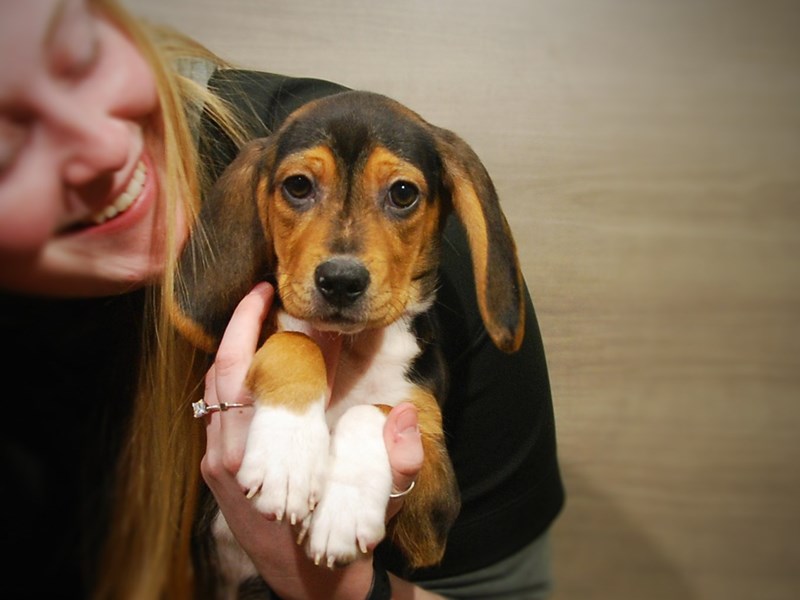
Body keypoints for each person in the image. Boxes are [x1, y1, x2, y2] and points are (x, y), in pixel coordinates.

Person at [0, 1, 565, 598]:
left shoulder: (427, 251)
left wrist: (342, 586)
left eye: (79, 54)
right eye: (6, 140)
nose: (101, 148)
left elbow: (449, 553)